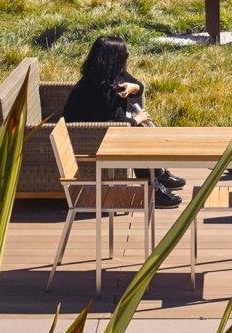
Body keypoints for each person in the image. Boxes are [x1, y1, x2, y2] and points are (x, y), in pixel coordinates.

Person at [62, 35, 183, 206]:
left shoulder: (114, 75)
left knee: (145, 127)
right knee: (139, 134)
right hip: (86, 137)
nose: (127, 56)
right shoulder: (96, 89)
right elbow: (110, 121)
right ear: (113, 58)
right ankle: (151, 185)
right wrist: (135, 120)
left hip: (104, 128)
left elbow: (138, 85)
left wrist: (133, 88)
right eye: (124, 54)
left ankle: (157, 172)